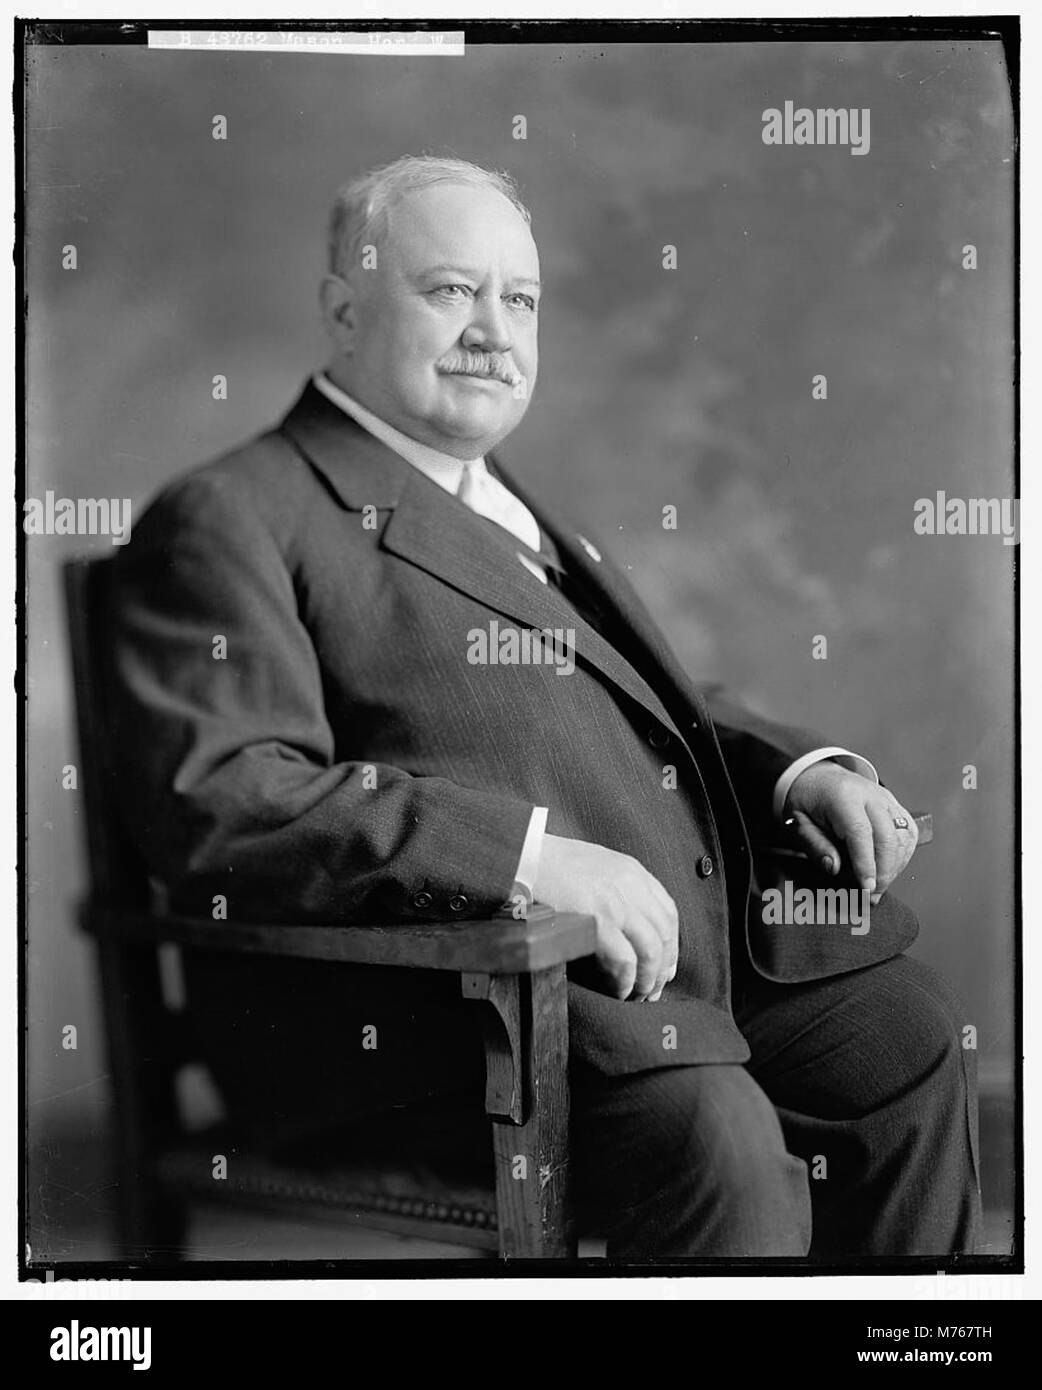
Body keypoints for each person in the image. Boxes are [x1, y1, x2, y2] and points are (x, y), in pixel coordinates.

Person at [107, 155, 981, 1257]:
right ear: (342, 311)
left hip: (639, 975)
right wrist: (523, 859)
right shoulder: (232, 513)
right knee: (705, 1124)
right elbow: (225, 799)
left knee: (898, 1037)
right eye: (449, 291)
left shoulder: (497, 498)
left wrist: (801, 772)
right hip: (439, 1016)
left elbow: (646, 699)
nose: (494, 331)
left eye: (518, 299)